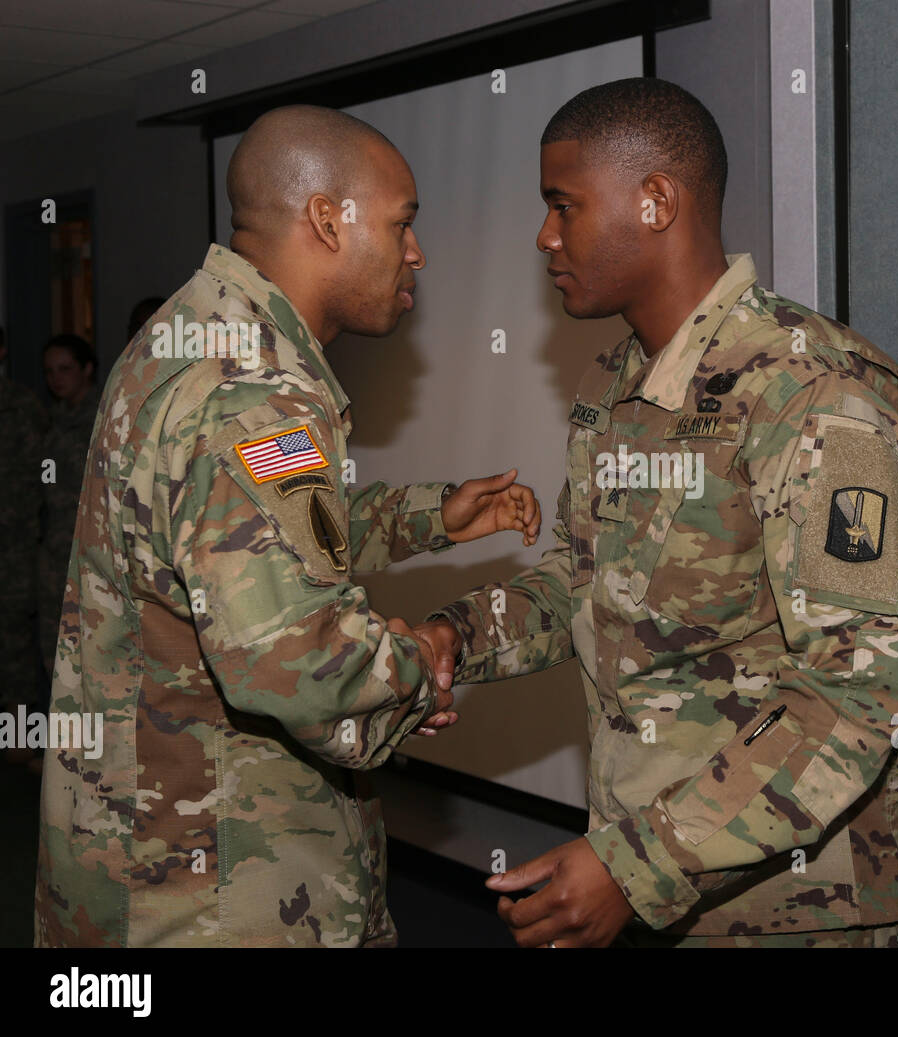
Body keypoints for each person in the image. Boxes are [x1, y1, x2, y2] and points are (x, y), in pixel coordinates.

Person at [416, 78, 898, 947]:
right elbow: (586, 580)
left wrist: (641, 865)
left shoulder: (814, 398)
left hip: (792, 905)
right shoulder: (616, 384)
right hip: (659, 872)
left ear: (656, 200)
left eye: (564, 205)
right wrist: (460, 635)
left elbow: (859, 689)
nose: (544, 236)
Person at [35, 104, 540, 947]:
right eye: (402, 223)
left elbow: (243, 542)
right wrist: (421, 663)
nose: (415, 251)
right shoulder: (256, 392)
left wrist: (430, 518)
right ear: (326, 220)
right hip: (215, 890)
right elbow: (297, 664)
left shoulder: (186, 336)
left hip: (134, 858)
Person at [0, 325, 49, 768]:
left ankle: (15, 741)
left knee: (15, 649)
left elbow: (45, 476)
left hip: (14, 549)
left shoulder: (22, 407)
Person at [38, 333, 99, 681]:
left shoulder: (104, 417)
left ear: (87, 369)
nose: (56, 378)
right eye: (49, 371)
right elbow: (44, 481)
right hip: (54, 548)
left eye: (65, 369)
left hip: (89, 552)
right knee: (54, 654)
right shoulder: (50, 420)